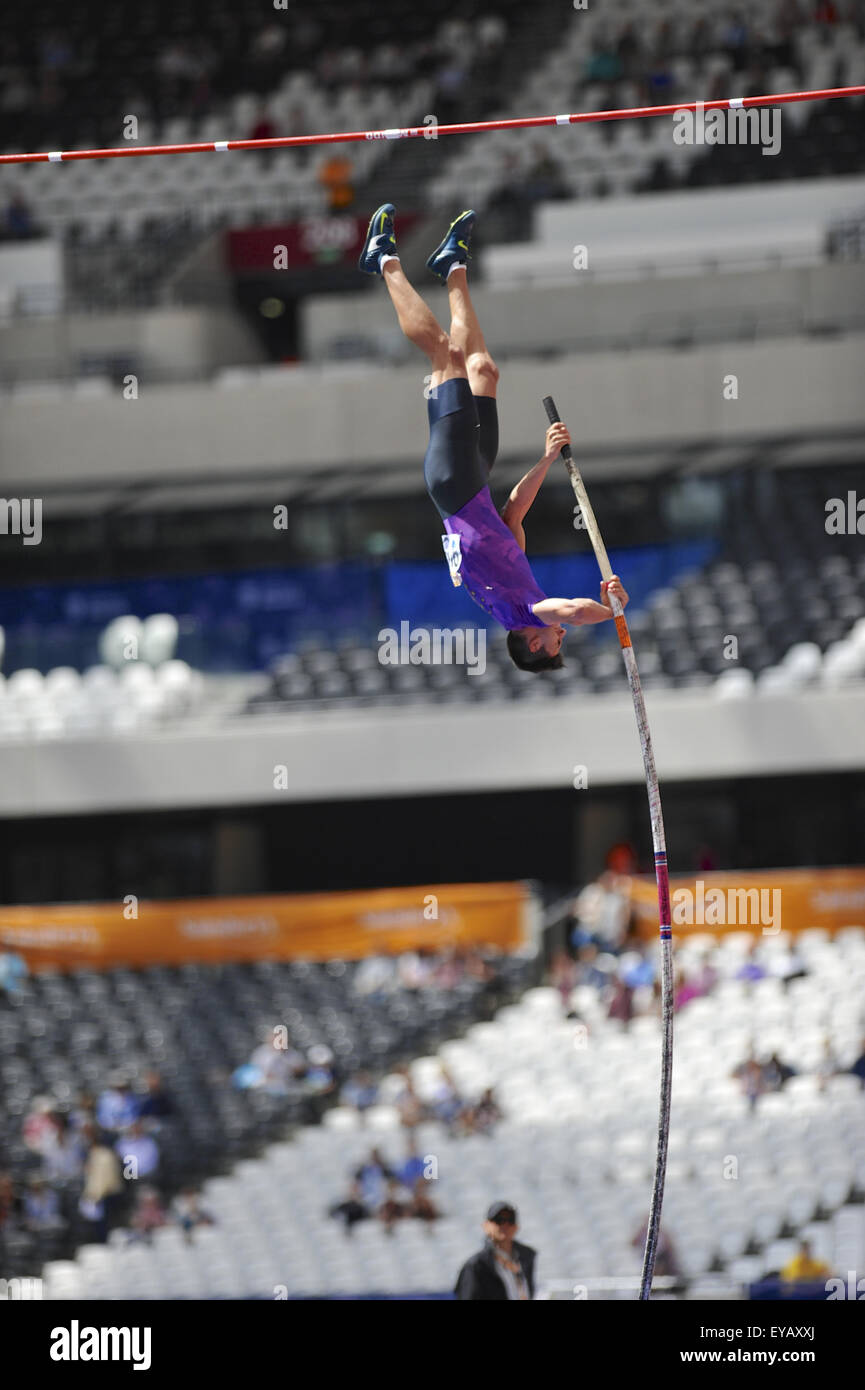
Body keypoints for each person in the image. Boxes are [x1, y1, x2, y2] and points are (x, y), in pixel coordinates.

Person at [358, 205, 629, 672]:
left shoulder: (521, 612)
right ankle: (452, 265)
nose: (560, 634)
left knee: (446, 355)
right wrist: (547, 458)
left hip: (454, 482)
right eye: (562, 639)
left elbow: (574, 611)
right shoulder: (518, 589)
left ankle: (382, 260)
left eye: (556, 643)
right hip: (474, 482)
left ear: (536, 644)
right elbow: (514, 511)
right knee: (483, 369)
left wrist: (615, 614)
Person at [455, 1201, 536, 1300]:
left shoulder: (526, 1258)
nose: (505, 1225)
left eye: (510, 1220)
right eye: (499, 1220)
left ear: (516, 1227)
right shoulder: (476, 1265)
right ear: (486, 1225)